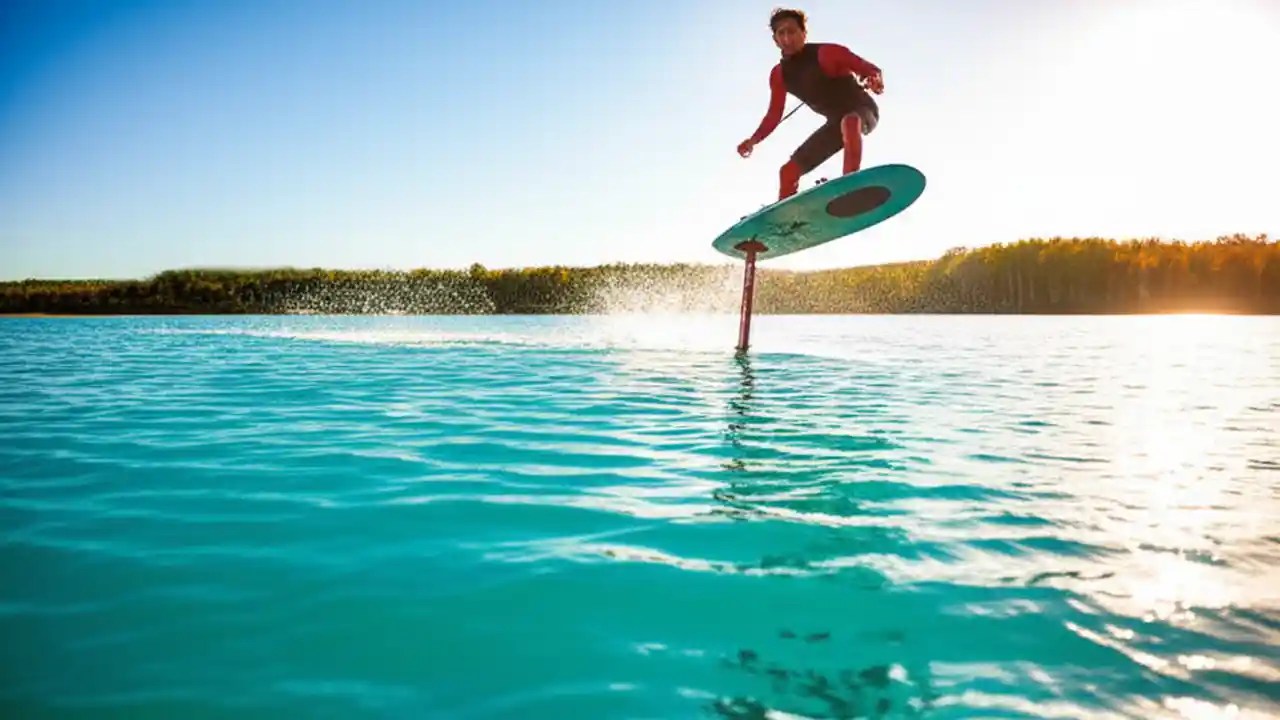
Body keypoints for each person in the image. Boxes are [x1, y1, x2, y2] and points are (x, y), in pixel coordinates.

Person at [736, 8, 885, 201]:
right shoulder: (779, 75)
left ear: (804, 34)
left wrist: (875, 80)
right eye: (781, 33)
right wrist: (754, 140)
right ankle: (787, 221)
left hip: (863, 112)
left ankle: (849, 186)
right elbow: (774, 114)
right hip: (835, 126)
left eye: (792, 31)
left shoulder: (827, 53)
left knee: (849, 122)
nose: (787, 39)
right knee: (788, 172)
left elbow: (868, 69)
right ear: (775, 39)